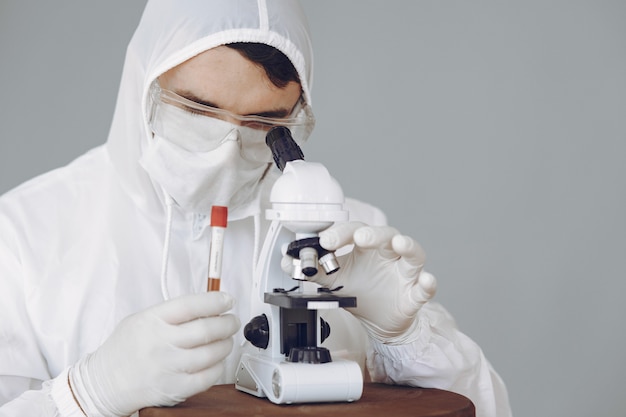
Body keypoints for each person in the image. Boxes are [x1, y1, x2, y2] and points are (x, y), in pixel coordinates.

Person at [0, 1, 512, 416]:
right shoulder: (25, 235)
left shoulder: (343, 235)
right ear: (142, 87)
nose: (227, 152)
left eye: (262, 123)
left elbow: (490, 410)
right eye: (199, 111)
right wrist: (86, 394)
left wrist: (408, 343)